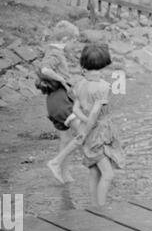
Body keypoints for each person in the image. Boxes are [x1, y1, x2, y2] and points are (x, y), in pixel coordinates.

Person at [47, 43, 124, 205]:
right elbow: (95, 112)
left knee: (94, 172)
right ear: (102, 66)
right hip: (98, 134)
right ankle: (100, 209)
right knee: (108, 175)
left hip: (88, 132)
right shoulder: (103, 86)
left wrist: (83, 125)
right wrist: (88, 129)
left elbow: (76, 107)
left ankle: (94, 207)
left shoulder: (80, 84)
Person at [38, 21, 80, 180]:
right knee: (85, 133)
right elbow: (45, 69)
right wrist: (62, 79)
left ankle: (65, 174)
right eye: (74, 40)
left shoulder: (52, 51)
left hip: (53, 102)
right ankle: (56, 163)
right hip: (62, 101)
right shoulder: (55, 53)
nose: (75, 44)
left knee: (66, 139)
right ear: (65, 39)